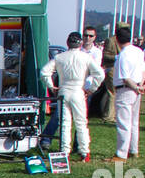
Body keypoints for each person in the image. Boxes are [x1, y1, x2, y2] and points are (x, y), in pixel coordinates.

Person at [39, 31, 104, 162]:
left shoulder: (59, 57)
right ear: (80, 44)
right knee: (81, 123)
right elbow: (100, 74)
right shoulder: (86, 57)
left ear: (68, 43)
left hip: (63, 91)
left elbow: (44, 72)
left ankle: (64, 151)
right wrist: (91, 89)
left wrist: (51, 86)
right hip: (78, 91)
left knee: (65, 123)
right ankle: (85, 152)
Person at [105, 26, 145, 162]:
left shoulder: (123, 55)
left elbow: (125, 77)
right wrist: (140, 86)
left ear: (116, 39)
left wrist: (135, 87)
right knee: (134, 121)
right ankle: (134, 150)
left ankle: (121, 153)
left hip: (125, 89)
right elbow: (143, 71)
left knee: (124, 123)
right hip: (136, 88)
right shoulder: (138, 51)